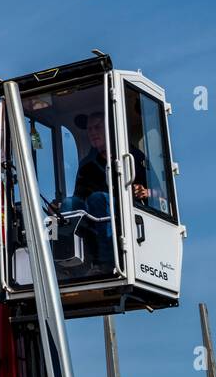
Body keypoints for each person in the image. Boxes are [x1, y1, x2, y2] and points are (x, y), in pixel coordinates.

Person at [60, 111, 149, 269]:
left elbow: (159, 190)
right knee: (68, 204)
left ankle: (109, 260)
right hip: (94, 218)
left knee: (98, 199)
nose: (93, 133)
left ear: (109, 128)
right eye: (89, 129)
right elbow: (78, 198)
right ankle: (69, 262)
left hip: (125, 215)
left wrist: (147, 192)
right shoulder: (86, 165)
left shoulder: (131, 156)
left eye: (97, 127)